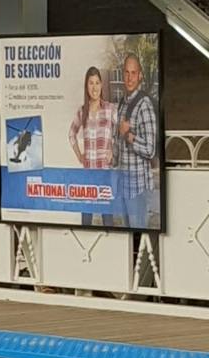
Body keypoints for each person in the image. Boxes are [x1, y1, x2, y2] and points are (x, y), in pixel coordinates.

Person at [116, 48, 159, 232]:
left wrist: (129, 135)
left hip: (138, 187)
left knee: (141, 237)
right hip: (124, 184)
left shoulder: (145, 105)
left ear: (140, 75)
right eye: (126, 72)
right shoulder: (122, 104)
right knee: (128, 238)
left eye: (134, 73)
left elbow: (150, 149)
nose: (130, 77)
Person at [68, 62, 117, 223]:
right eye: (91, 83)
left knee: (107, 219)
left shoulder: (110, 109)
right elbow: (71, 134)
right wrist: (79, 156)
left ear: (101, 85)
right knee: (86, 219)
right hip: (88, 175)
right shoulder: (82, 111)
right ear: (86, 86)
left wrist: (113, 150)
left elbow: (123, 133)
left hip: (105, 174)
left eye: (97, 83)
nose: (94, 87)